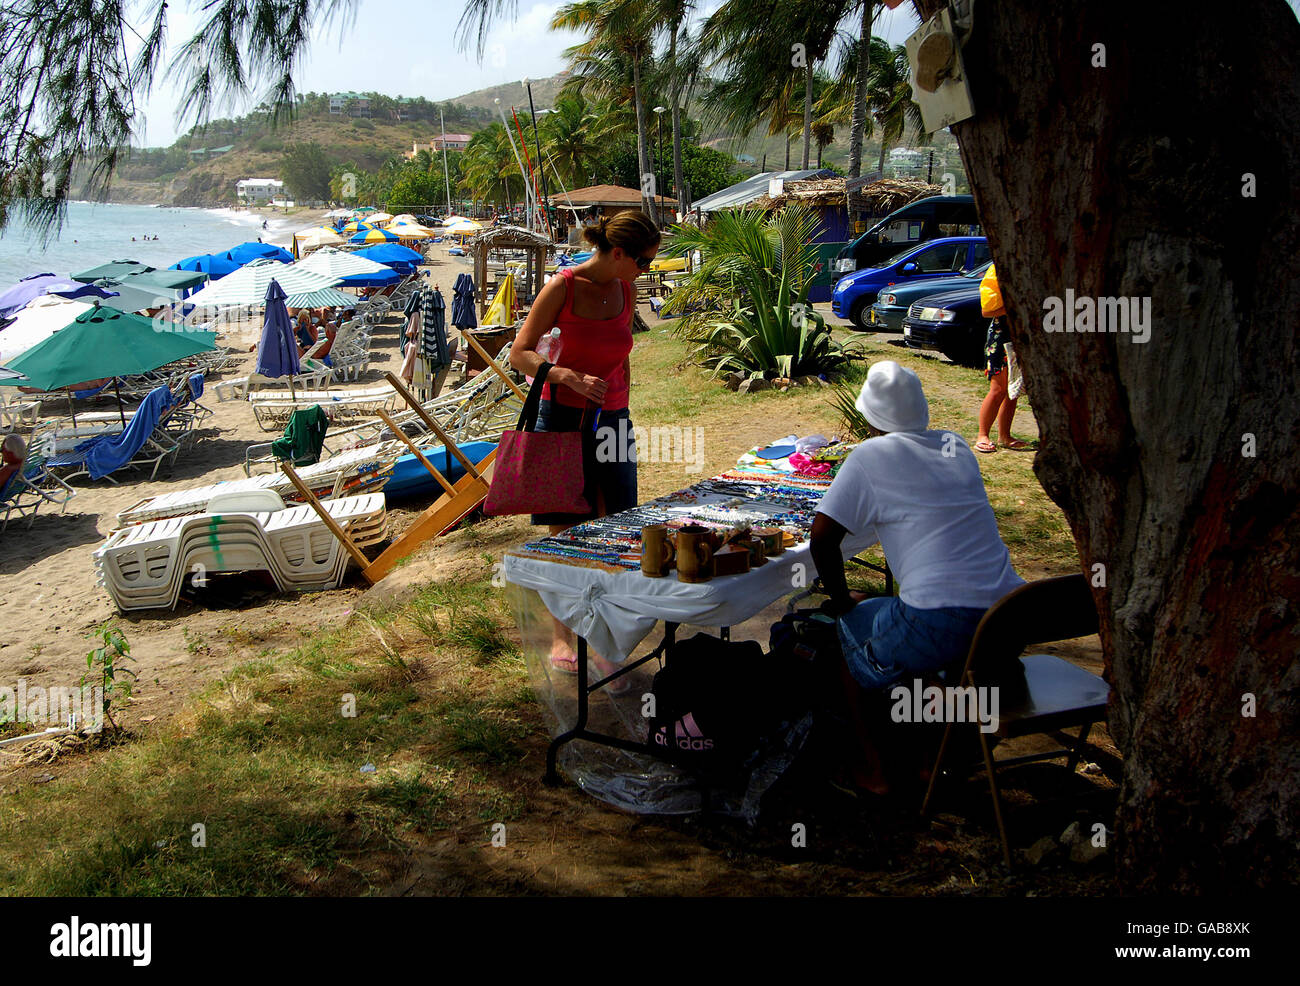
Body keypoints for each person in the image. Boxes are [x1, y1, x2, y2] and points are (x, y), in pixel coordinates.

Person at [810, 360, 1024, 791]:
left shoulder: (868, 455)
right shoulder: (956, 444)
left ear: (869, 416)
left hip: (940, 620)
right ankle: (936, 759)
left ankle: (874, 771)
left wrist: (838, 599)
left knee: (845, 644)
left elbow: (822, 540)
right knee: (905, 635)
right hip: (1008, 617)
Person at [509, 210, 661, 683]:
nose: (646, 270)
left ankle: (605, 634)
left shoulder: (626, 287)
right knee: (565, 530)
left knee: (616, 524)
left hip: (613, 420)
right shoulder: (563, 288)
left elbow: (623, 356)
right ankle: (562, 634)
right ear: (618, 253)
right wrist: (563, 375)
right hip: (562, 420)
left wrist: (623, 406)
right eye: (643, 261)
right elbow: (520, 352)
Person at [974, 264, 1030, 452]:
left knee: (1012, 390)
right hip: (1001, 337)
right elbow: (987, 311)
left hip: (1021, 337)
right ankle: (983, 435)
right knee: (998, 389)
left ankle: (1005, 436)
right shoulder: (997, 270)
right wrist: (1017, 307)